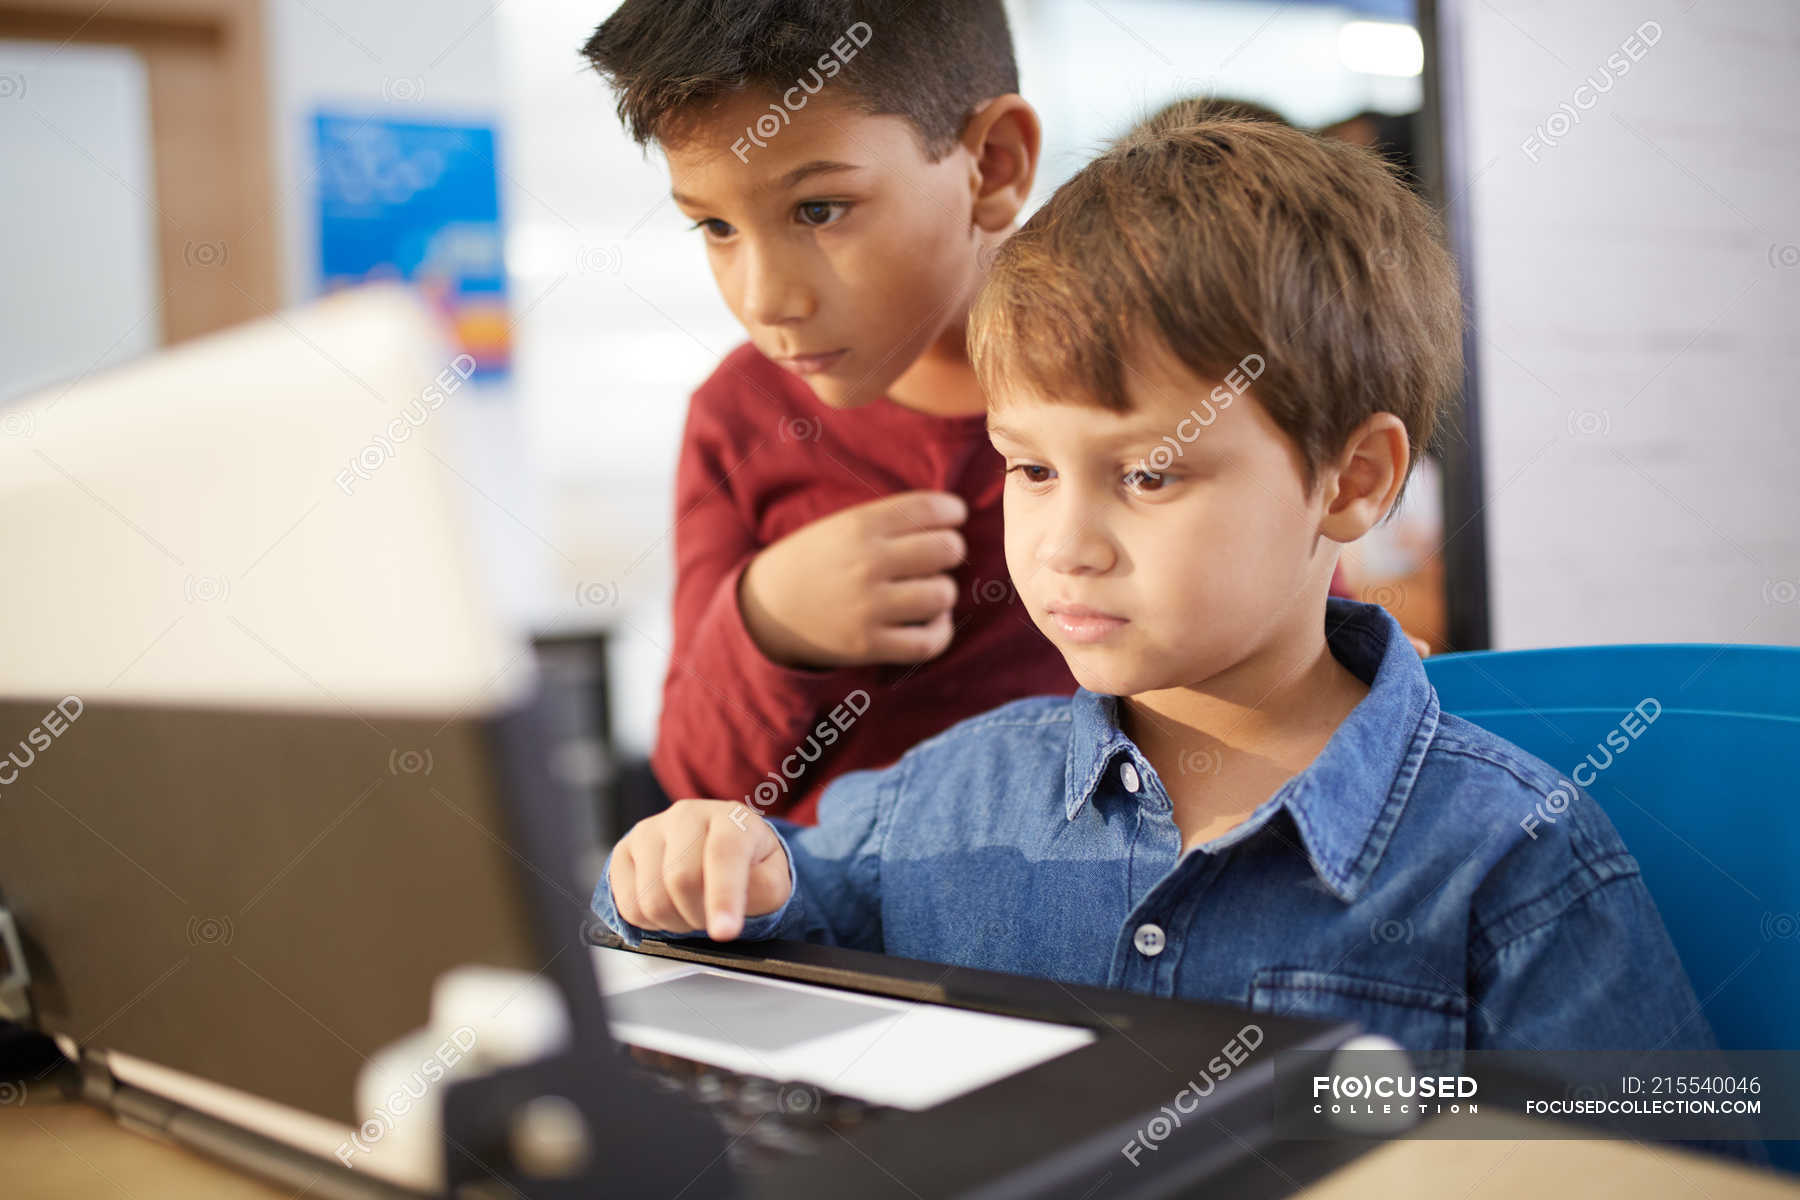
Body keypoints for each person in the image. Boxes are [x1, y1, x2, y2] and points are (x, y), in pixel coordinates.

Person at [592, 115, 1718, 1063]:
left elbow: (1675, 1169)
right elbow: (697, 940)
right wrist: (694, 868)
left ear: (1353, 480)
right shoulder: (944, 800)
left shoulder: (1508, 857)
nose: (1065, 545)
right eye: (1029, 469)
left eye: (1147, 473)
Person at [581, 1, 1075, 824]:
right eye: (715, 226)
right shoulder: (739, 416)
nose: (766, 298)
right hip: (816, 943)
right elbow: (699, 784)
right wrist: (768, 621)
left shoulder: (1144, 384)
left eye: (819, 210)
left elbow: (1309, 675)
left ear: (991, 164)